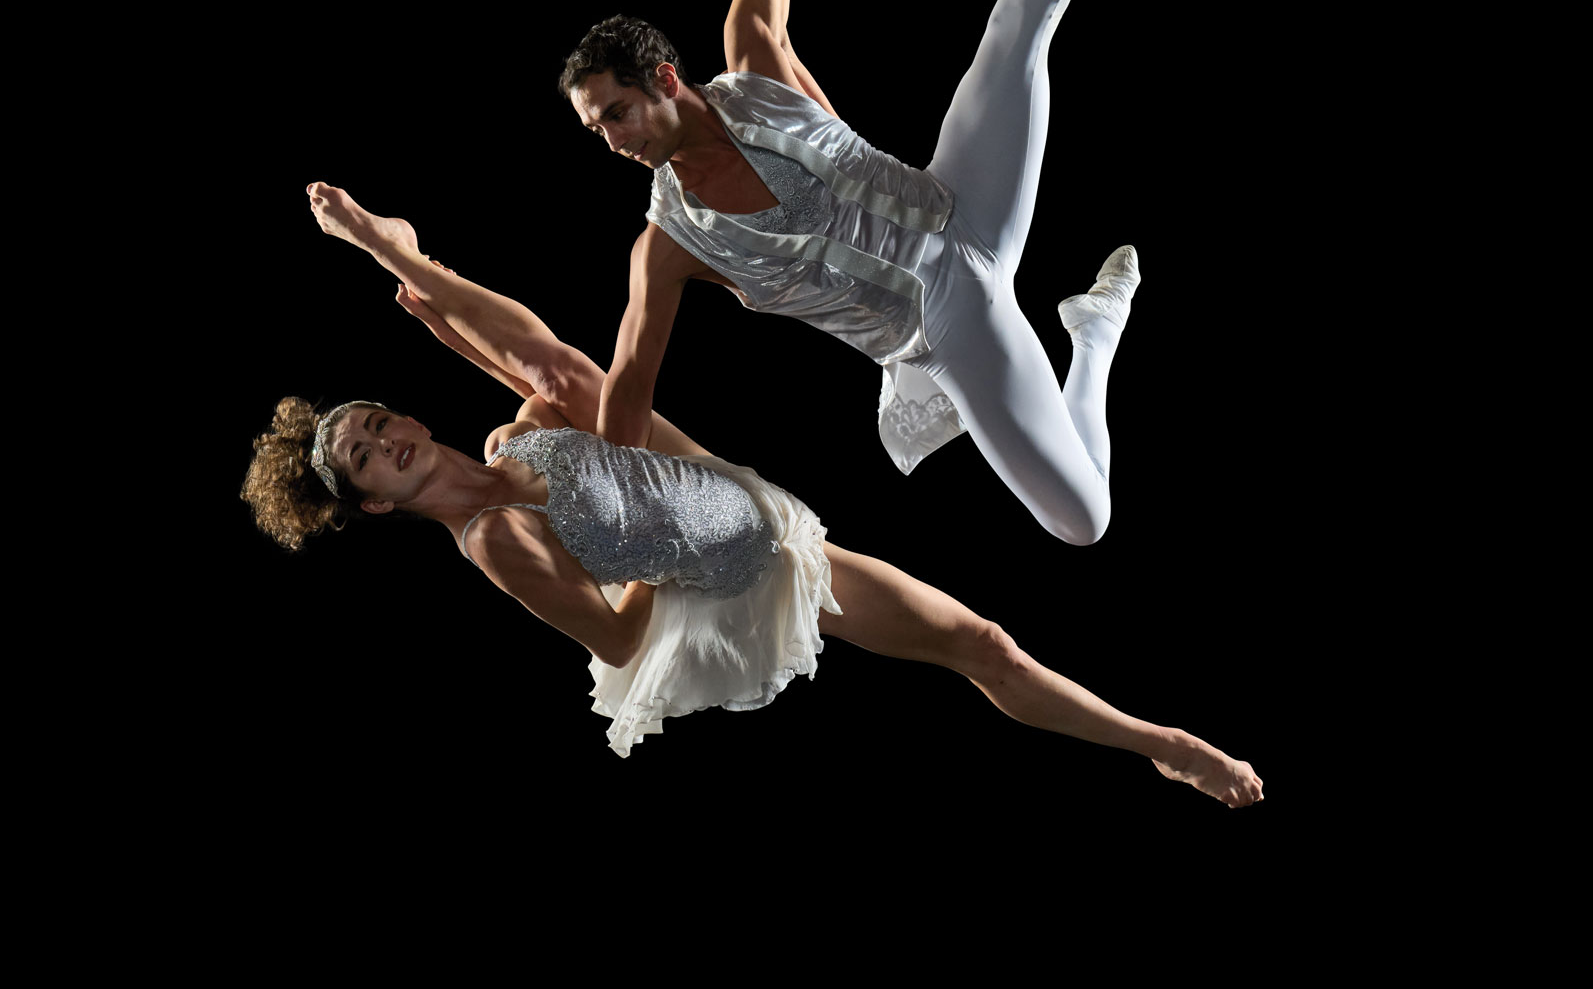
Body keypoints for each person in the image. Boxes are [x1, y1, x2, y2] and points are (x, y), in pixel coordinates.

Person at [258, 180, 1263, 804]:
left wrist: (434, 306)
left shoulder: (508, 438)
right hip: (750, 575)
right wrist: (659, 549)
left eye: (375, 423)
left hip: (744, 504)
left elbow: (525, 356)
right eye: (362, 458)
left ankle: (1091, 339)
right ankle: (1165, 746)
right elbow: (615, 642)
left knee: (556, 374)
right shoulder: (492, 541)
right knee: (984, 645)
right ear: (373, 502)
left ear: (405, 418)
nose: (382, 443)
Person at [562, 0, 1143, 547]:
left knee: (1021, 22)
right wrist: (603, 511)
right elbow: (629, 384)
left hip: (956, 199)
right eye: (596, 130)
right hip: (946, 325)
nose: (610, 141)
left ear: (665, 80)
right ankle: (1093, 337)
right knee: (1084, 521)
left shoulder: (755, 59)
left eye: (615, 113)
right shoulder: (670, 244)